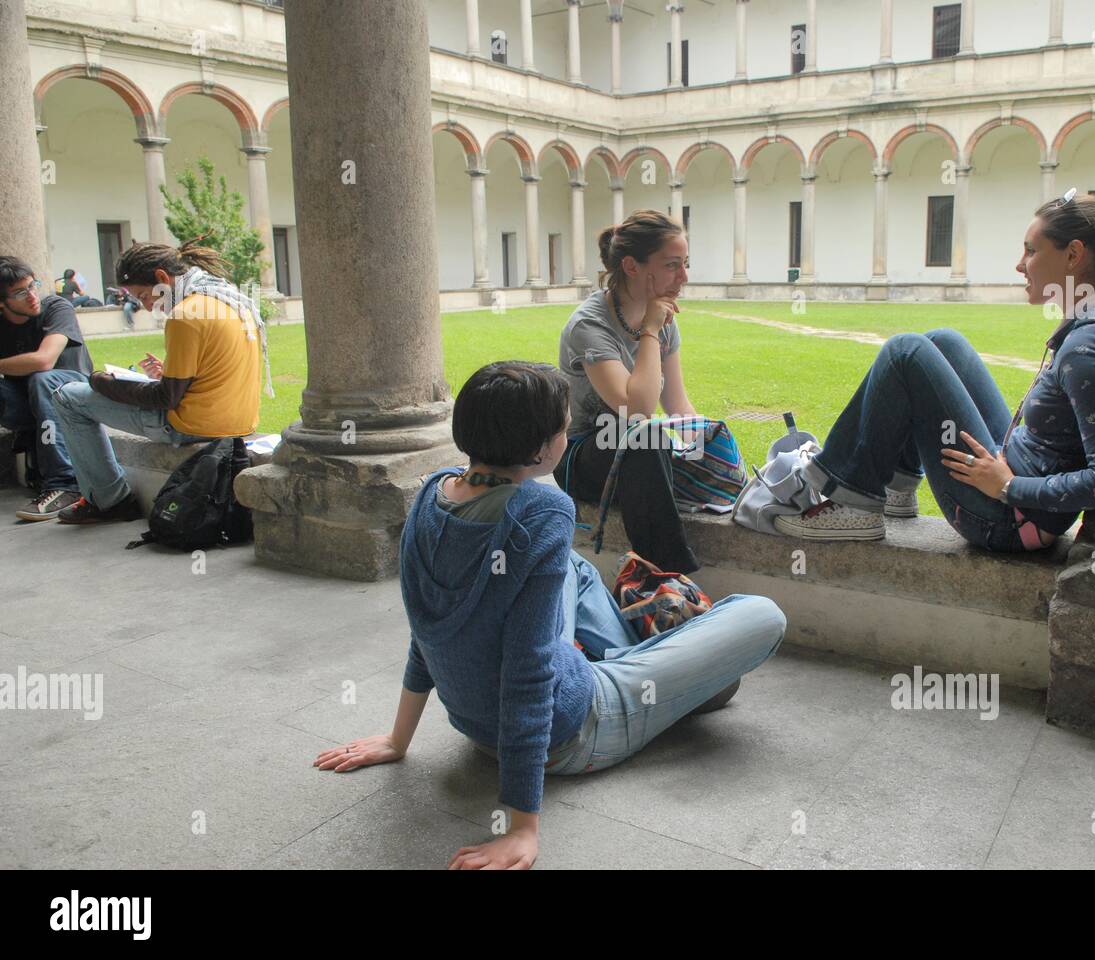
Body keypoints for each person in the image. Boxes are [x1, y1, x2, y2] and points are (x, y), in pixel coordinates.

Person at [314, 361, 786, 870]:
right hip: (574, 731)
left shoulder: (431, 494)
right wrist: (521, 828)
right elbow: (528, 671)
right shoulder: (543, 512)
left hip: (480, 728)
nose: (567, 436)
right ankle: (662, 685)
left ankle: (652, 673)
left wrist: (397, 739)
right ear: (541, 449)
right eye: (563, 428)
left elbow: (428, 624)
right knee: (761, 614)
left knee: (572, 567)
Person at [775, 191, 1095, 552]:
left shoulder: (1087, 349)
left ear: (1074, 255)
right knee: (943, 340)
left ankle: (854, 502)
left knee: (905, 351)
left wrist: (1007, 487)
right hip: (1014, 471)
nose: (1020, 264)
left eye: (1031, 251)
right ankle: (897, 486)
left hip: (1006, 518)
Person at [48, 237, 272, 524]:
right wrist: (166, 371)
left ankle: (109, 500)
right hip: (239, 422)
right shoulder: (224, 298)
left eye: (143, 296)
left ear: (162, 278)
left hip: (193, 426)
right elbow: (212, 370)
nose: (145, 305)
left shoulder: (185, 314)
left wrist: (103, 382)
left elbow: (166, 398)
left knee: (67, 397)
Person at [553, 209, 705, 574]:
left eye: (685, 264)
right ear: (632, 266)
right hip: (583, 456)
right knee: (646, 438)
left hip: (634, 448)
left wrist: (706, 439)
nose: (683, 277)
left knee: (673, 443)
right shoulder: (589, 325)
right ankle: (669, 577)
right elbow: (635, 410)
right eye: (671, 265)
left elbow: (677, 406)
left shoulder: (662, 319)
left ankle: (662, 580)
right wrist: (651, 330)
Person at [0, 257, 94, 521]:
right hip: (30, 405)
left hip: (73, 397)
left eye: (33, 285)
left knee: (42, 379)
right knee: (35, 384)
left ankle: (65, 483)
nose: (32, 296)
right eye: (20, 292)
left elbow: (44, 361)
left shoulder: (56, 307)